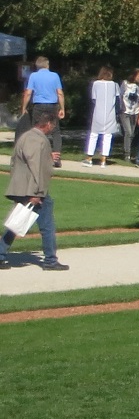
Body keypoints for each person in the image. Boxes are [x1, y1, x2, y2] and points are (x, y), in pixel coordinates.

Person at [3, 105, 66, 269]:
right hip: (33, 190)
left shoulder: (28, 136)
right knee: (47, 226)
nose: (53, 129)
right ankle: (50, 260)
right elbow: (35, 166)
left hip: (25, 188)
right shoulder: (36, 139)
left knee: (17, 222)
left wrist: (49, 157)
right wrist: (36, 193)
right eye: (53, 125)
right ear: (48, 124)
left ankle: (1, 254)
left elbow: (27, 161)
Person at [18, 54, 64, 164]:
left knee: (37, 131)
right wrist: (62, 108)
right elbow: (60, 93)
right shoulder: (55, 76)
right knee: (55, 131)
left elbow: (28, 93)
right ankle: (56, 158)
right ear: (47, 65)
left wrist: (24, 107)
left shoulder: (33, 76)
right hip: (52, 105)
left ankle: (37, 156)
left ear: (37, 66)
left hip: (38, 105)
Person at [85, 66, 120, 167]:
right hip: (110, 113)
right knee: (107, 136)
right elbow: (117, 100)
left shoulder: (96, 84)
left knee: (94, 135)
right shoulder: (115, 85)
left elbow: (94, 99)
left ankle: (89, 158)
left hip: (98, 112)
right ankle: (103, 160)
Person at [119, 67, 139, 161]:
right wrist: (121, 107)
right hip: (125, 111)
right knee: (128, 132)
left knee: (132, 133)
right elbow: (120, 95)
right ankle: (127, 154)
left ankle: (128, 149)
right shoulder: (125, 84)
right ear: (134, 76)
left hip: (135, 112)